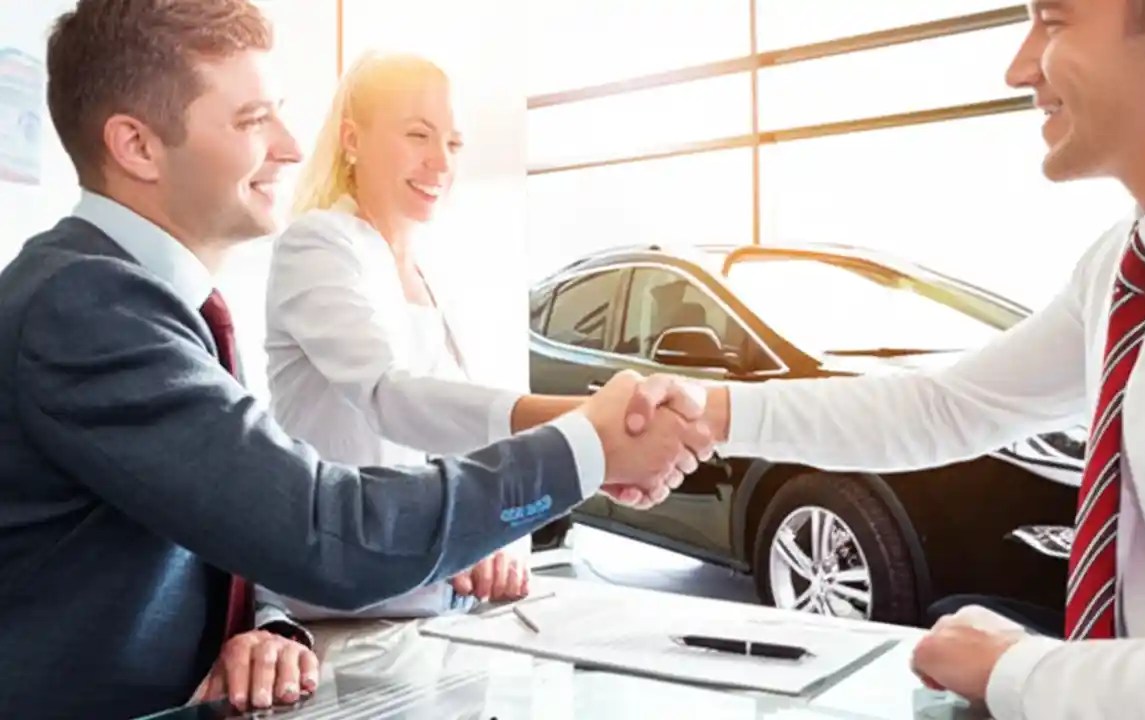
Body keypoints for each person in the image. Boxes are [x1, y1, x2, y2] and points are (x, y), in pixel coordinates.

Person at [0, 2, 711, 718]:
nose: (288, 145)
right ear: (137, 146)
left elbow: (232, 509)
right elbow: (319, 528)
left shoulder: (156, 299)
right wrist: (585, 446)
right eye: (253, 120)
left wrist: (264, 623)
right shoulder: (86, 305)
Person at [628, 0, 1145, 716]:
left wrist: (1011, 666)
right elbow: (948, 405)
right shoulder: (1131, 264)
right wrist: (709, 413)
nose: (1017, 68)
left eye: (1054, 22)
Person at [257, 51, 571, 621]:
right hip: (342, 600)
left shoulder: (433, 273)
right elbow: (391, 397)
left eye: (452, 143)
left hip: (432, 598)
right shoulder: (317, 245)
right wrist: (576, 422)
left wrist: (488, 540)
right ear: (352, 140)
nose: (439, 162)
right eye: (417, 135)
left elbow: (456, 442)